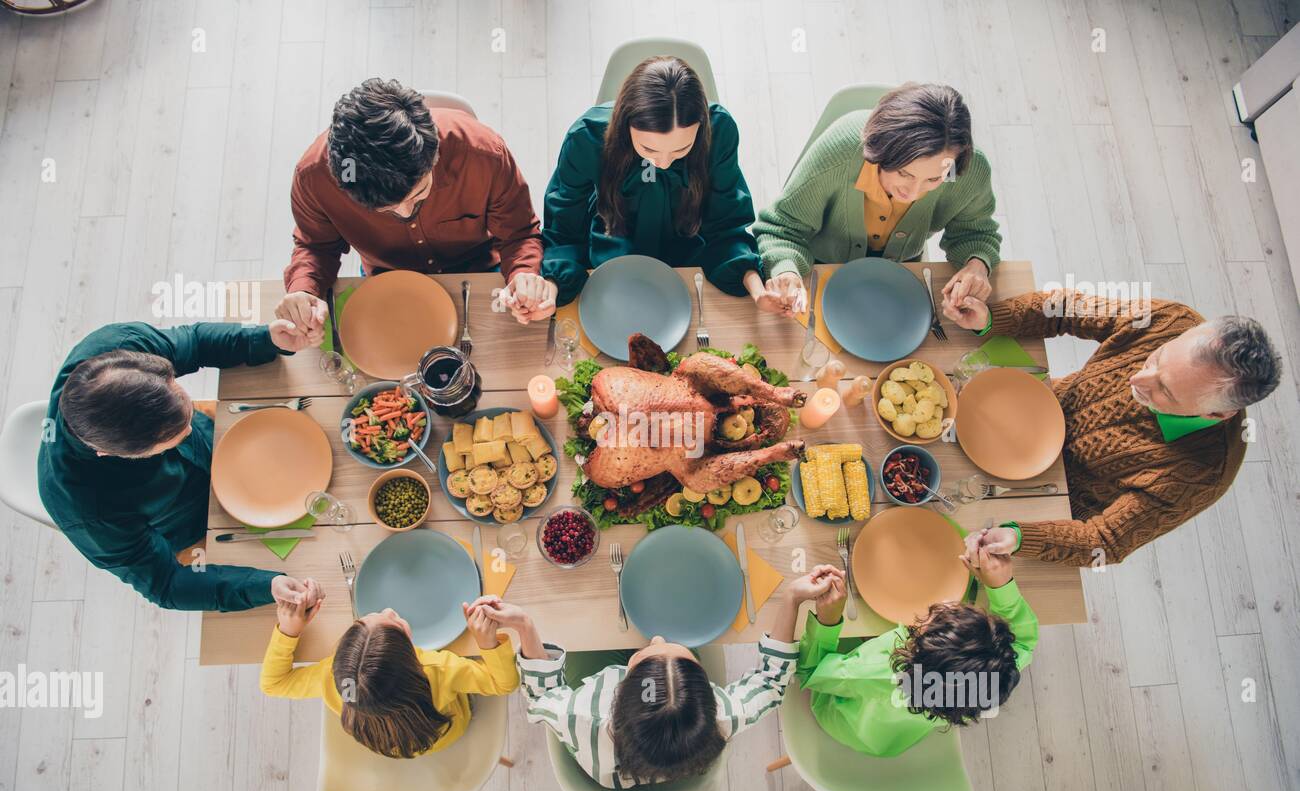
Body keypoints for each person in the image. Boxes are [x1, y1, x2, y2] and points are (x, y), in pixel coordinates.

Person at [948, 290, 1283, 567]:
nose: (1137, 379)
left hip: (1049, 499)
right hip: (1028, 409)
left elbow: (1105, 542)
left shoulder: (1202, 475)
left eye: (1164, 391)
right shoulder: (1172, 321)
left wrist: (1021, 537)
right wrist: (993, 318)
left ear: (1216, 415)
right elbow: (1066, 309)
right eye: (1156, 358)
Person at [38, 320, 319, 612]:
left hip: (224, 441)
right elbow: (166, 584)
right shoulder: (87, 512)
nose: (187, 431)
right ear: (108, 453)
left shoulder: (114, 348)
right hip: (192, 520)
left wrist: (266, 338)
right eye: (175, 436)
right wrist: (264, 585)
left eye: (178, 392)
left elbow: (195, 342)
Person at [473, 569, 838, 788]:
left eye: (648, 652)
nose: (658, 638)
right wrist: (790, 599)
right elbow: (772, 684)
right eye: (671, 650)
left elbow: (540, 697)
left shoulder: (583, 716)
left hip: (610, 776)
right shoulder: (721, 717)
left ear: (619, 694)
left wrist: (525, 626)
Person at [278, 78, 552, 330]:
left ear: (433, 155)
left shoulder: (482, 153)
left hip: (480, 272)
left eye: (419, 194)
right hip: (387, 281)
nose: (405, 212)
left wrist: (523, 274)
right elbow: (315, 246)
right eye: (385, 210)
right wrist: (304, 291)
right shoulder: (314, 177)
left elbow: (519, 233)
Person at [539, 56, 778, 315]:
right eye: (649, 149)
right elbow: (564, 228)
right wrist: (552, 287)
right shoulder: (586, 138)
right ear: (624, 124)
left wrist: (758, 290)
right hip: (612, 241)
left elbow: (727, 222)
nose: (663, 164)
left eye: (681, 149)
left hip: (691, 245)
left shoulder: (720, 131)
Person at [753, 82, 1000, 322]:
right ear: (881, 151)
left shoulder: (964, 171)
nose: (914, 193)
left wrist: (977, 264)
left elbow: (974, 234)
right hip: (819, 272)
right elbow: (781, 229)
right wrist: (786, 272)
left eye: (934, 179)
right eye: (904, 173)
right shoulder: (840, 151)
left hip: (900, 281)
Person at [797, 554, 1037, 757]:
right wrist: (1001, 586)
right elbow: (1024, 644)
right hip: (897, 735)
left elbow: (809, 673)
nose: (945, 602)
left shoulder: (879, 671)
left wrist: (827, 619)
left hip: (842, 719)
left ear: (914, 654)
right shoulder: (993, 673)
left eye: (933, 621)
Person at [260, 583, 518, 758]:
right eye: (394, 623)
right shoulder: (439, 670)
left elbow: (274, 684)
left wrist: (288, 631)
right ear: (412, 658)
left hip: (390, 744)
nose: (390, 610)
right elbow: (504, 684)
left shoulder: (333, 677)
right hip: (446, 733)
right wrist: (487, 642)